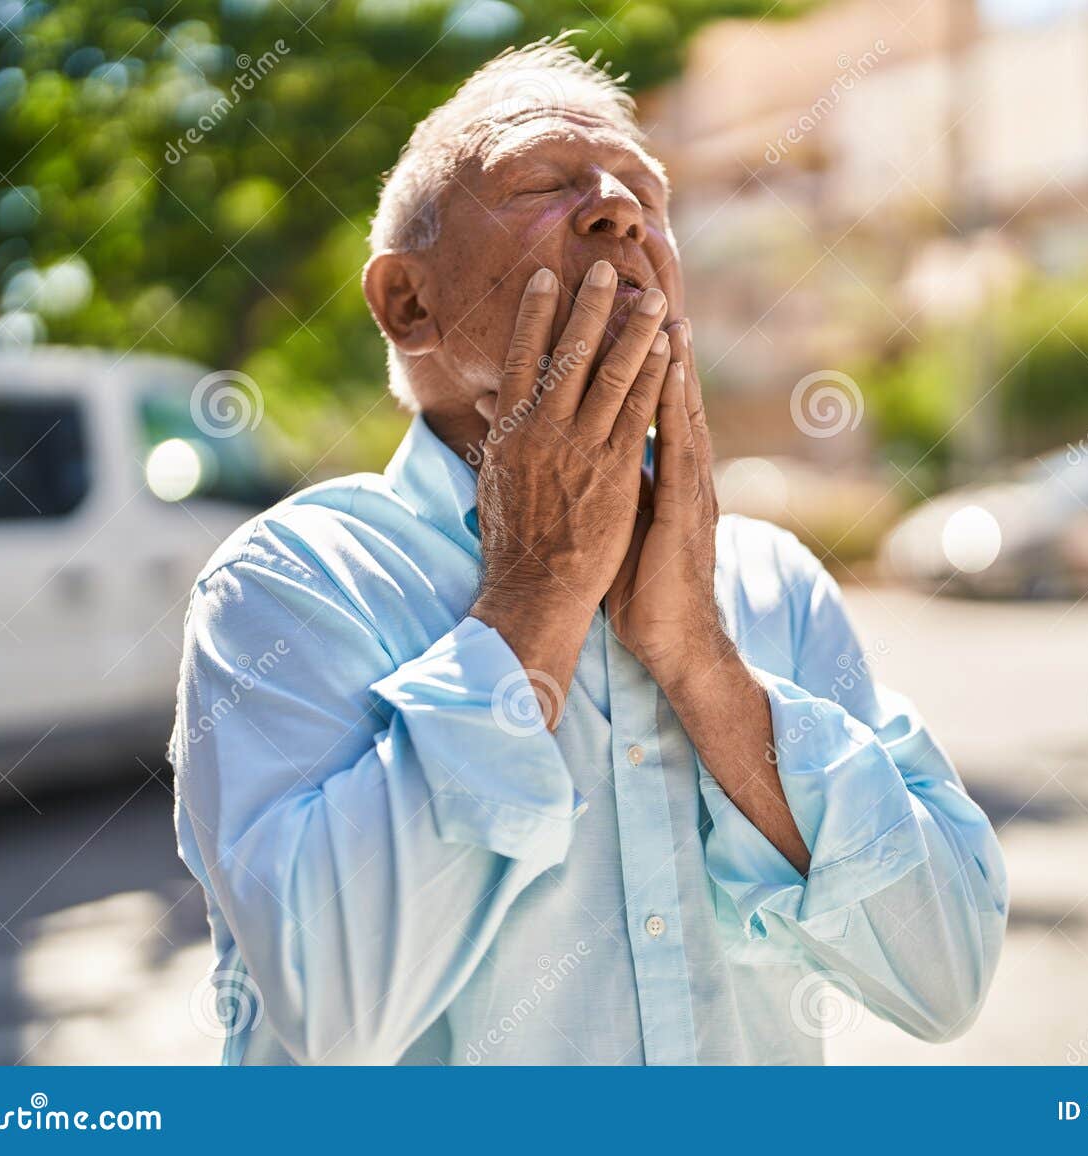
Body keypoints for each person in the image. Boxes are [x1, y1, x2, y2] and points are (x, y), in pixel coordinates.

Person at [171, 36, 1007, 1065]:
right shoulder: (293, 583)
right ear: (406, 302)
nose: (619, 207)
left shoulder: (771, 584)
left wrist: (704, 664)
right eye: (541, 182)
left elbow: (947, 974)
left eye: (647, 197)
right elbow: (327, 1008)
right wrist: (538, 594)